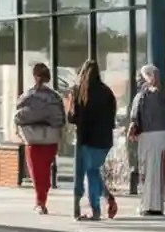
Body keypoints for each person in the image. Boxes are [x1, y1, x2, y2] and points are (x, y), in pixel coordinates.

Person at [67, 60, 118, 221]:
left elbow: (72, 117)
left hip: (85, 138)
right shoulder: (107, 92)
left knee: (81, 173)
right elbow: (112, 118)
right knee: (93, 172)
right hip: (103, 140)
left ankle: (80, 209)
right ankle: (99, 205)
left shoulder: (78, 91)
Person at [13, 62, 66, 214]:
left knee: (36, 172)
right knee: (45, 170)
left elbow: (18, 116)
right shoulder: (55, 97)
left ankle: (40, 202)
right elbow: (61, 119)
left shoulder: (27, 96)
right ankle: (42, 199)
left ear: (35, 76)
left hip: (33, 139)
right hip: (50, 139)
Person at [131, 64, 165, 216]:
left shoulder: (143, 95)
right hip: (160, 137)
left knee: (146, 171)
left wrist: (133, 130)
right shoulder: (163, 95)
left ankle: (147, 205)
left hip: (147, 137)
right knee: (157, 171)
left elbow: (135, 116)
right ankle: (157, 205)